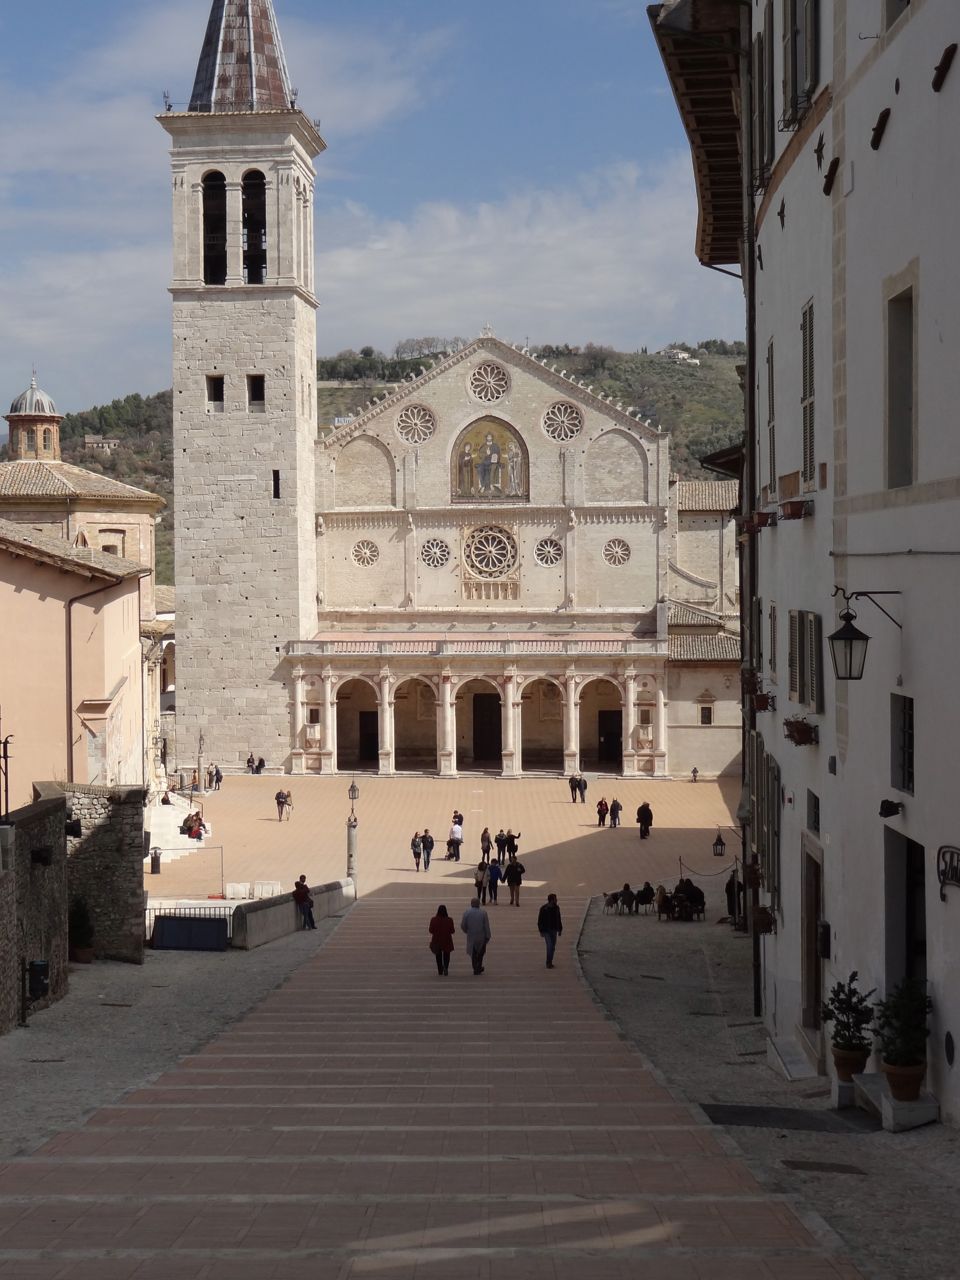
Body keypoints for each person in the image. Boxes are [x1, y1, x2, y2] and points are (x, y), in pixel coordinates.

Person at [460, 896, 491, 974]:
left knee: (473, 953)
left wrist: (466, 931)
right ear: (479, 904)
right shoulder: (483, 913)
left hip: (471, 936)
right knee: (481, 952)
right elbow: (486, 925)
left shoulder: (467, 912)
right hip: (481, 936)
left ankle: (475, 967)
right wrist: (488, 936)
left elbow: (463, 925)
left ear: (471, 904)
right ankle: (478, 966)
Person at [537, 893, 563, 968]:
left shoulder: (557, 908)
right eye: (555, 899)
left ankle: (550, 961)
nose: (556, 900)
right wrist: (541, 931)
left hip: (554, 930)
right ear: (551, 900)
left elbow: (559, 918)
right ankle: (548, 962)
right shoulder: (544, 909)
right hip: (546, 930)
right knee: (549, 946)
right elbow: (540, 920)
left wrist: (560, 929)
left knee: (553, 947)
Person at [429, 904, 455, 976]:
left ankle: (440, 970)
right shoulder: (449, 920)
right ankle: (446, 967)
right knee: (447, 954)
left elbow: (430, 930)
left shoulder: (433, 919)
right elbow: (452, 931)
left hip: (437, 940)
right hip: (447, 940)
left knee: (438, 955)